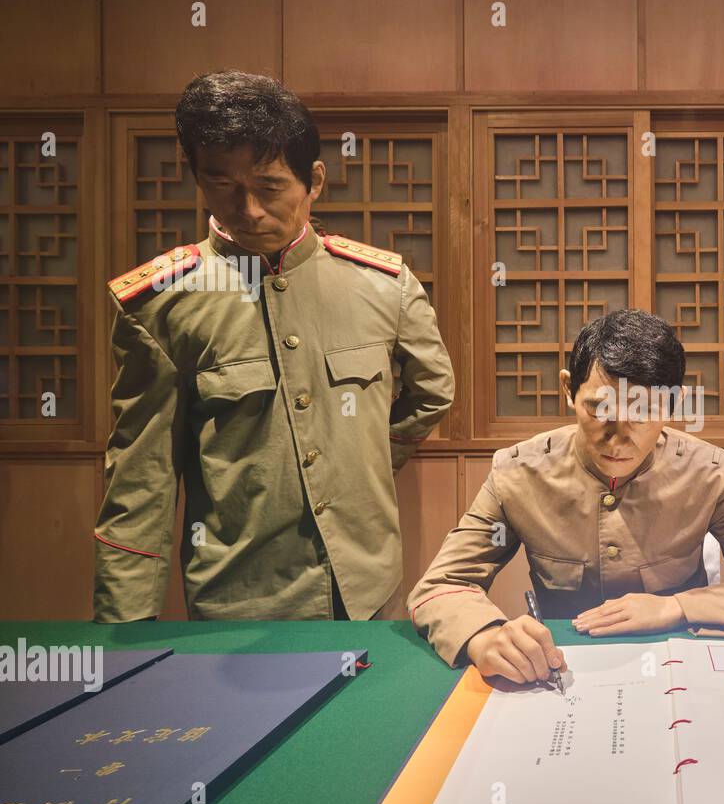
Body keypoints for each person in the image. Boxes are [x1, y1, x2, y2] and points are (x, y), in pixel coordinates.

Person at [94, 70, 455, 623]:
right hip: (239, 597)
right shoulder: (159, 304)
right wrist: (121, 634)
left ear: (313, 180)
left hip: (365, 586)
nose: (249, 209)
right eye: (221, 185)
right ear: (195, 175)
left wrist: (360, 463)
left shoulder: (384, 285)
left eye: (269, 186)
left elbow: (433, 392)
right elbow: (142, 481)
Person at [407, 309, 724, 682]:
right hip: (561, 672)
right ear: (568, 389)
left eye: (644, 413)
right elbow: (440, 586)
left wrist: (678, 608)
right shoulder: (519, 473)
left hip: (678, 669)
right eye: (600, 410)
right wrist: (484, 635)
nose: (618, 438)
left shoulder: (710, 474)